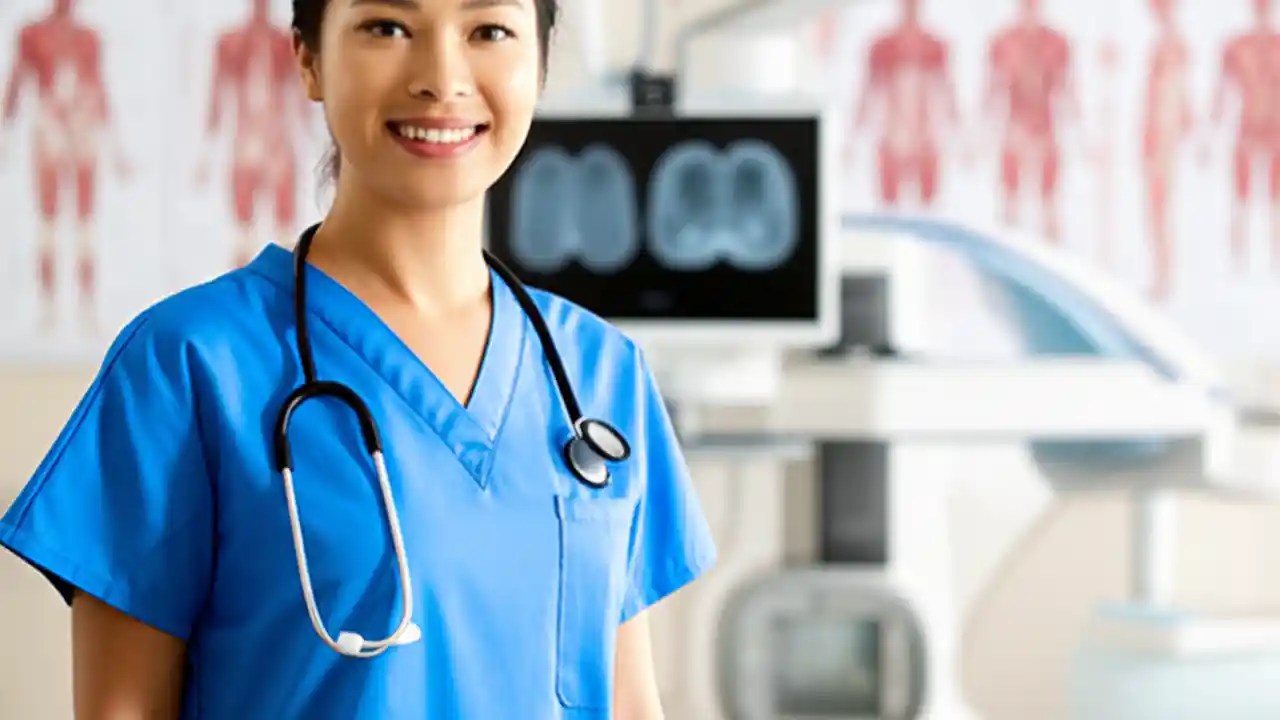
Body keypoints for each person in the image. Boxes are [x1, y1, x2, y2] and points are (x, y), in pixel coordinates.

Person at [0, 0, 716, 717]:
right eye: (387, 27)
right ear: (309, 59)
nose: (442, 78)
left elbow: (627, 701)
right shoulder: (189, 365)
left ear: (541, 63)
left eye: (488, 31)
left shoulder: (598, 374)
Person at [0, 0, 128, 333]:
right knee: (49, 218)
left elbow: (98, 86)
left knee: (85, 221)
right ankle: (48, 305)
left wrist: (115, 146)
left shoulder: (89, 37)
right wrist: (5, 135)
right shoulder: (32, 33)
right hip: (50, 125)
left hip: (82, 126)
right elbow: (17, 81)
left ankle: (86, 305)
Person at [197, 0, 309, 269]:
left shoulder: (284, 43)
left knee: (285, 232)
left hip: (276, 143)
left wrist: (315, 143)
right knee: (243, 233)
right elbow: (217, 100)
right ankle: (241, 306)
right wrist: (205, 156)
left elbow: (300, 100)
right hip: (248, 142)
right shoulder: (230, 42)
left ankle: (286, 306)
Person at [984, 0, 1080, 244]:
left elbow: (1067, 93)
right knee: (1011, 203)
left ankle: (1052, 265)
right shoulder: (1003, 42)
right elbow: (993, 92)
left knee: (1049, 204)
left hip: (1045, 130)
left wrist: (1081, 134)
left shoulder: (1057, 43)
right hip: (1015, 130)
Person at [852, 0, 959, 208]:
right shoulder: (881, 47)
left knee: (928, 209)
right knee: (889, 209)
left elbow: (946, 91)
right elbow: (868, 92)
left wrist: (959, 134)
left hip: (925, 138)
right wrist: (853, 136)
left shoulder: (935, 46)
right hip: (892, 137)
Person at [1206, 0, 1280, 271]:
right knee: (1242, 197)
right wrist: (1211, 132)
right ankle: (1239, 258)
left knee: (1274, 200)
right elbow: (1222, 91)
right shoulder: (1237, 46)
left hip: (1274, 131)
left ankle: (1274, 258)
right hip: (1248, 127)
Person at [1142, 0, 1193, 300]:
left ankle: (1163, 277)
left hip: (1162, 139)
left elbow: (1172, 98)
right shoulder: (1167, 41)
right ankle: (1161, 275)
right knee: (1156, 211)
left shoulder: (1170, 45)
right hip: (1158, 137)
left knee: (1159, 210)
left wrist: (1161, 142)